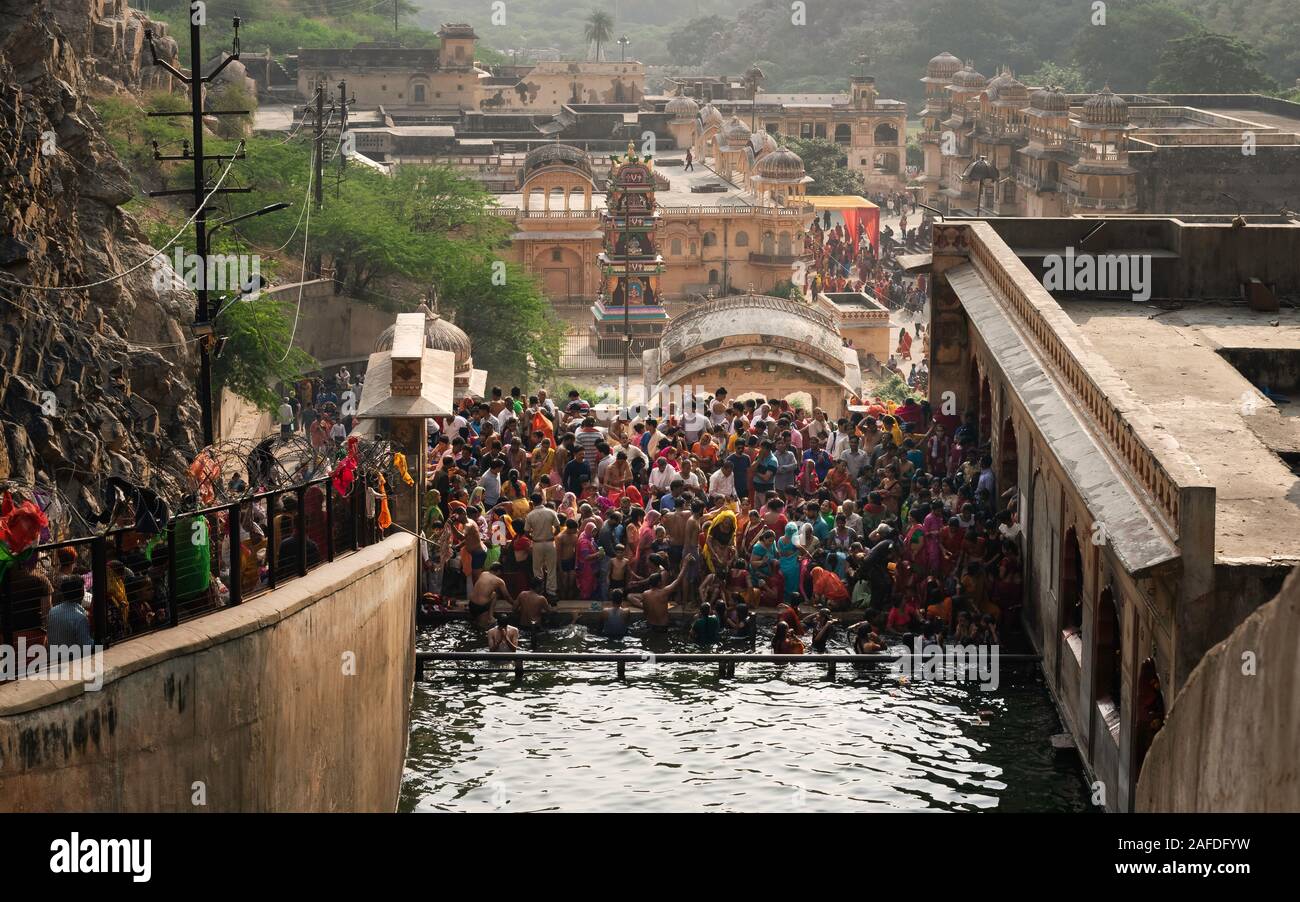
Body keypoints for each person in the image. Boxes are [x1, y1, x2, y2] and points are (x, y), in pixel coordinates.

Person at [468, 562, 512, 629]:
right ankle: (490, 617)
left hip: (471, 604)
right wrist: (514, 603)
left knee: (494, 594)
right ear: (499, 571)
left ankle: (490, 616)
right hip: (481, 607)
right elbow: (507, 597)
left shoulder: (483, 573)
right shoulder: (499, 581)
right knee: (483, 628)